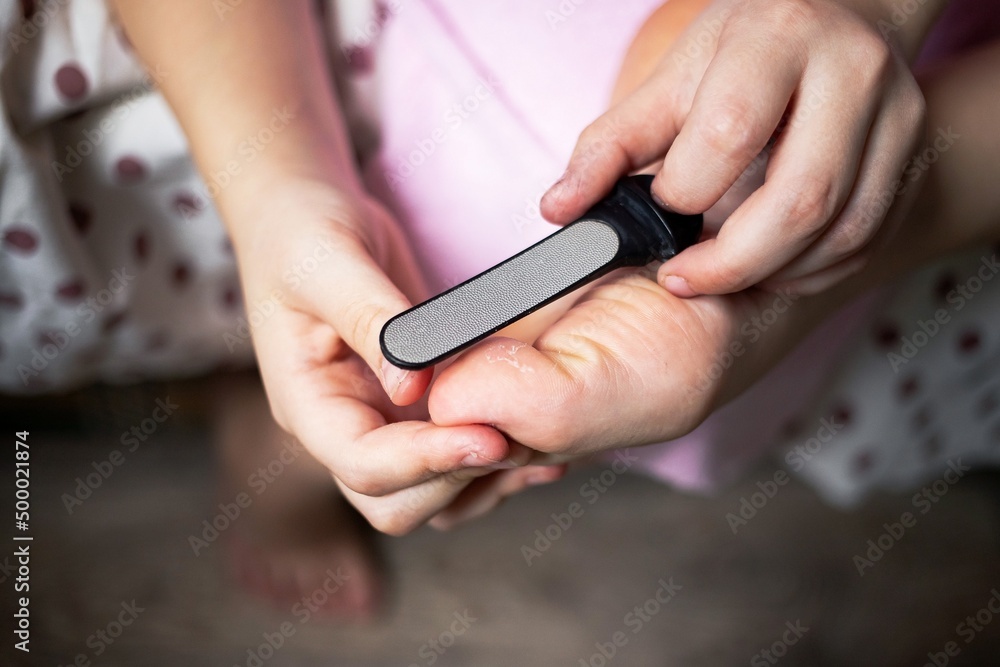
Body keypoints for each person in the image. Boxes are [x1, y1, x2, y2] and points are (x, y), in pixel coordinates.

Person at [1, 0, 997, 613]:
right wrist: (276, 190)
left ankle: (287, 442)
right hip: (387, 99)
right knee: (385, 376)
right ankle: (276, 428)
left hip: (892, 156)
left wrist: (824, 246)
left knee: (428, 405)